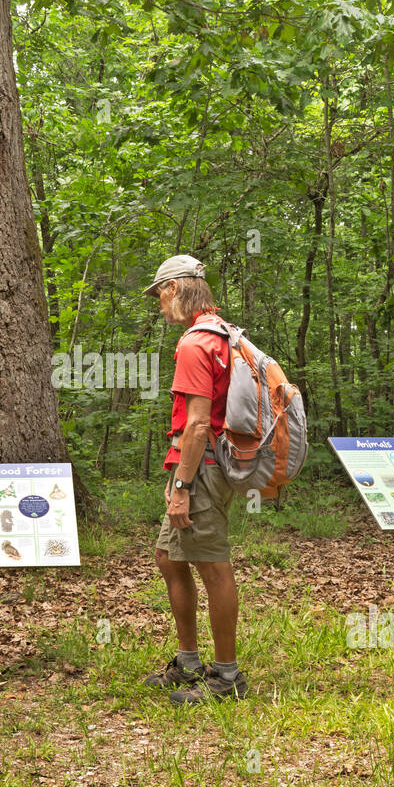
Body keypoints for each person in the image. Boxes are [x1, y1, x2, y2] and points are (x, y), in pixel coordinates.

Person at [141, 255, 248, 705]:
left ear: (173, 290)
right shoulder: (224, 336)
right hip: (193, 466)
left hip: (200, 468)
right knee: (169, 556)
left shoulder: (195, 343)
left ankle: (227, 678)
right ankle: (188, 662)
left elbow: (199, 424)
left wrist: (182, 487)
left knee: (211, 564)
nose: (160, 309)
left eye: (160, 298)